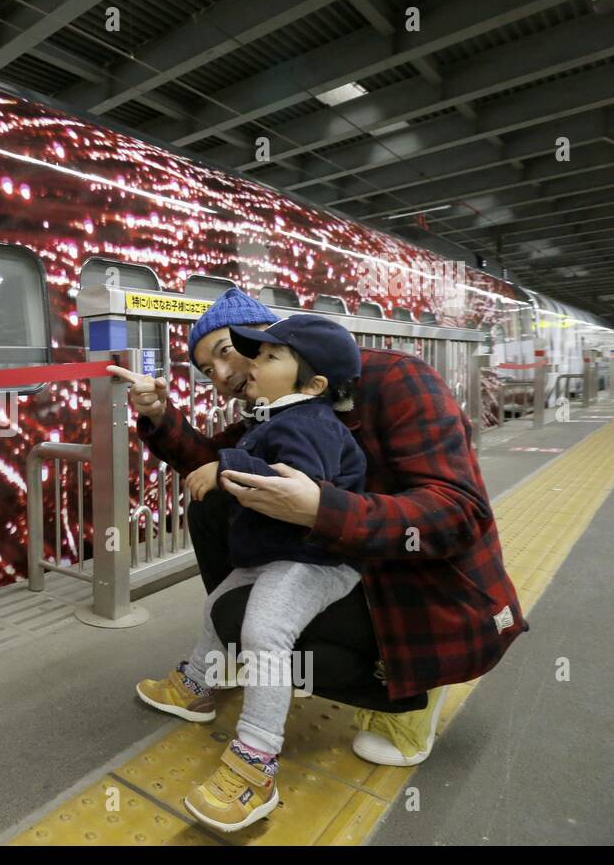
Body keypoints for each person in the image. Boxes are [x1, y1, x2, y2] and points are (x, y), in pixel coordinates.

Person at [107, 287, 527, 772]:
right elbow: (213, 462)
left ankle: (412, 689)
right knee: (225, 569)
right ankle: (234, 667)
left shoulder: (399, 380)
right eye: (207, 371)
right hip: (342, 560)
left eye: (229, 352)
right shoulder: (275, 406)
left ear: (273, 341)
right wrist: (158, 414)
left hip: (416, 586)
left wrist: (321, 510)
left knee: (261, 629)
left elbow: (456, 512)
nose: (221, 377)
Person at [141, 315, 366, 831]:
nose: (251, 366)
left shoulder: (308, 422)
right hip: (278, 551)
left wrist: (224, 468)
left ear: (312, 384)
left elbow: (305, 484)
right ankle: (197, 684)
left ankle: (256, 763)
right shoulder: (273, 416)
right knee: (219, 603)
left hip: (319, 558)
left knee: (265, 633)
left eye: (268, 358)